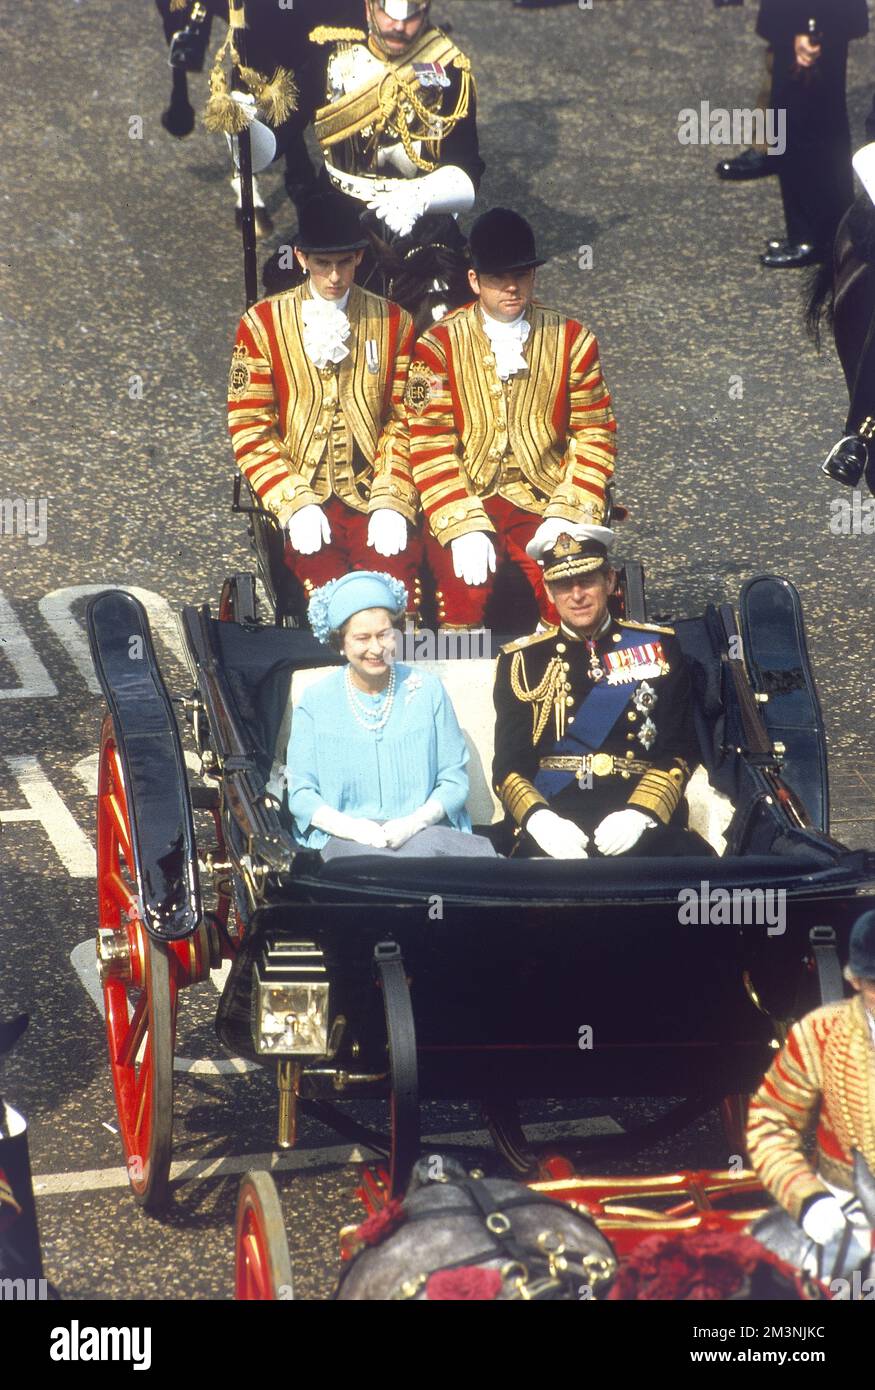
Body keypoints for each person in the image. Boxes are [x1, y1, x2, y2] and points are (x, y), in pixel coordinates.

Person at [406, 207, 617, 629]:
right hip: (467, 495)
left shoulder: (573, 340)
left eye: (520, 275)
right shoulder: (438, 346)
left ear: (533, 277)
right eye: (497, 278)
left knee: (567, 588)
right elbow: (429, 443)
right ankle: (460, 681)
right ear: (473, 281)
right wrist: (461, 522)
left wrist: (567, 510)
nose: (510, 287)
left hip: (544, 501)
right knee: (459, 594)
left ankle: (563, 674)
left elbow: (594, 433)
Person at [227, 192, 423, 614]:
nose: (334, 276)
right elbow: (251, 427)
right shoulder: (261, 324)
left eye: (344, 263)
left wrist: (390, 498)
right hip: (304, 497)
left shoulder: (395, 322)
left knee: (394, 597)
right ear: (301, 258)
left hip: (371, 497)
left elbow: (405, 420)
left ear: (358, 258)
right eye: (322, 264)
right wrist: (294, 501)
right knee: (335, 607)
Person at [492, 531, 709, 859]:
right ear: (549, 592)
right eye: (564, 585)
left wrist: (642, 813)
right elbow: (509, 764)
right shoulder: (521, 660)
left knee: (688, 871)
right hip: (558, 816)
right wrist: (538, 818)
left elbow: (681, 748)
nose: (576, 595)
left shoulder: (658, 648)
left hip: (637, 817)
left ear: (609, 581)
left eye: (586, 581)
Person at [285, 571, 496, 858]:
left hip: (428, 835)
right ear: (340, 642)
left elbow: (453, 781)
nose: (376, 648)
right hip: (344, 843)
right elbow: (301, 794)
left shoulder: (428, 691)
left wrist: (414, 823)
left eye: (385, 635)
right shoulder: (316, 701)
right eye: (362, 638)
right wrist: (351, 829)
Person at [273, 1, 483, 248]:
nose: (399, 26)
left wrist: (420, 198)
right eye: (388, 13)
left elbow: (467, 171)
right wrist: (245, 131)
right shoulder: (330, 56)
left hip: (421, 221)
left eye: (411, 16)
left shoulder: (449, 67)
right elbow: (279, 134)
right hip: (340, 211)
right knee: (288, 276)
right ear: (368, 7)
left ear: (425, 10)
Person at [746, 909, 875, 1271]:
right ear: (855, 981)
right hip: (843, 1208)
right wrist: (807, 1198)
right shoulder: (820, 1034)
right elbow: (770, 1124)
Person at [756, 0, 868, 268]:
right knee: (806, 121)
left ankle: (815, 235)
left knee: (803, 123)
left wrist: (809, 27)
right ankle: (823, 233)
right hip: (811, 18)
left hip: (812, 18)